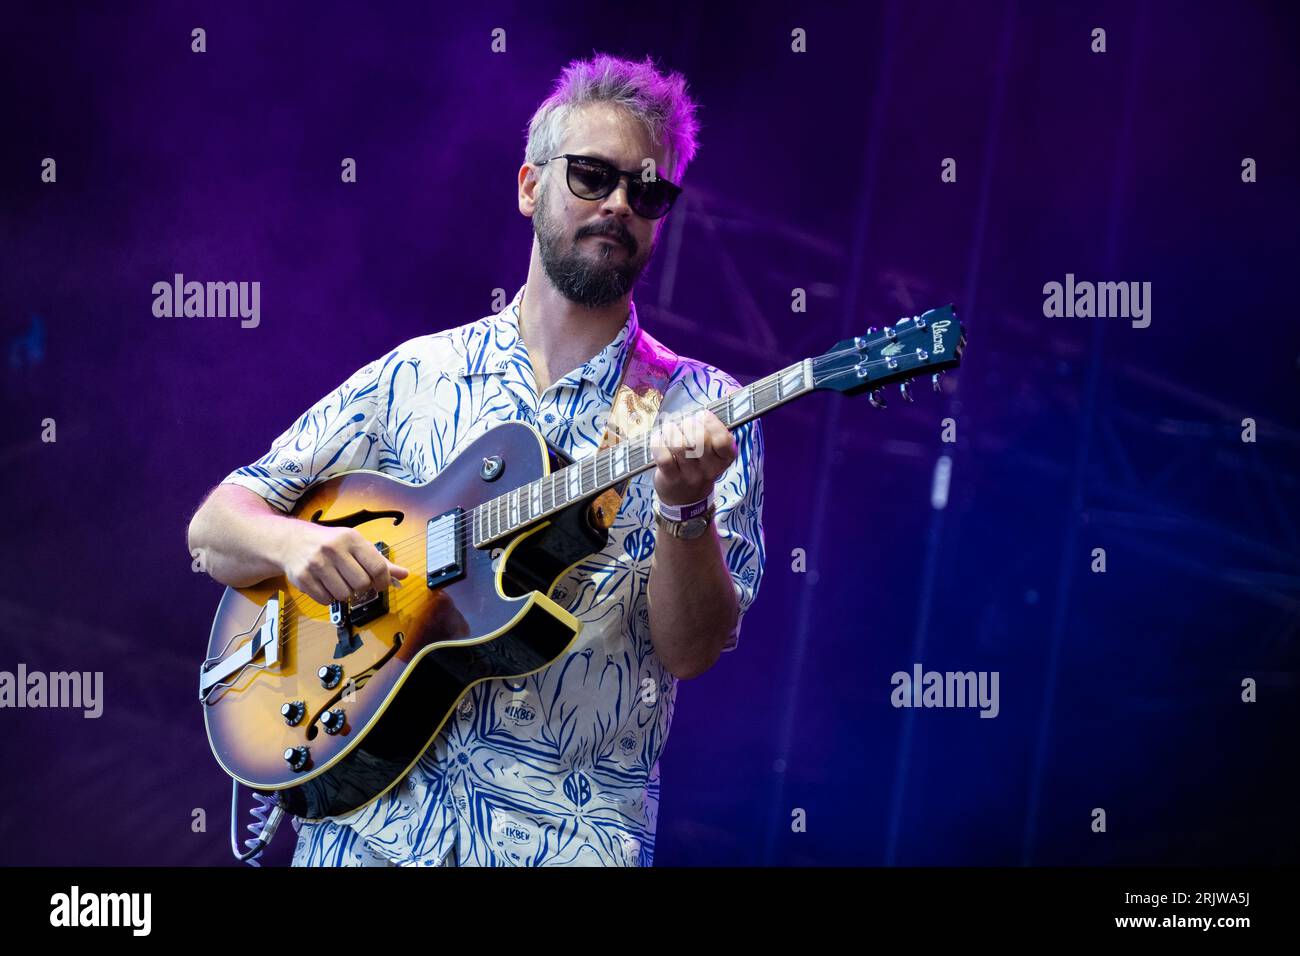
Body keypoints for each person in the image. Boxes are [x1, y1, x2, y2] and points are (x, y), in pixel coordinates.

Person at [188, 53, 766, 866]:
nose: (619, 206)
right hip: (367, 838)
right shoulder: (414, 374)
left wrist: (685, 508)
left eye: (649, 191)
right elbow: (214, 530)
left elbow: (690, 651)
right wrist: (298, 546)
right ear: (531, 186)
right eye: (593, 176)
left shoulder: (697, 409)